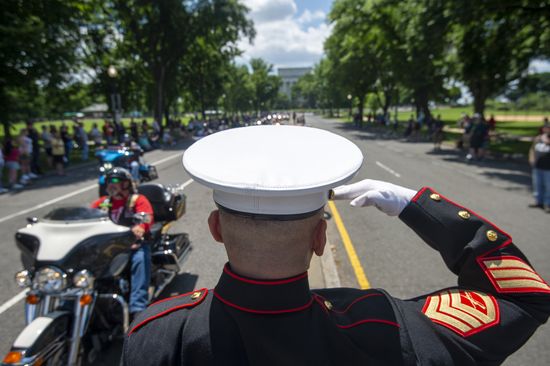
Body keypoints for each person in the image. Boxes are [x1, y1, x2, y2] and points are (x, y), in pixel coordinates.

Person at [122, 126, 550, 366]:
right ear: (320, 239)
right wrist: (413, 204)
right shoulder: (383, 328)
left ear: (216, 228)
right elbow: (525, 298)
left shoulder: (158, 333)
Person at [91, 167, 154, 318]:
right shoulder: (103, 202)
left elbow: (147, 216)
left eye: (114, 181)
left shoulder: (137, 200)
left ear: (126, 184)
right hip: (109, 246)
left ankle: (138, 308)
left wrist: (141, 226)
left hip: (132, 244)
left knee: (140, 259)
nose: (110, 185)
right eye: (108, 182)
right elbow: (87, 215)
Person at [528, 124, 550, 212]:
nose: (547, 130)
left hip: (548, 167)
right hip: (537, 166)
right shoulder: (538, 138)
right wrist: (531, 158)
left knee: (548, 187)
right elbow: (532, 149)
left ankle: (547, 203)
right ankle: (538, 201)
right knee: (537, 185)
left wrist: (546, 141)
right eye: (546, 128)